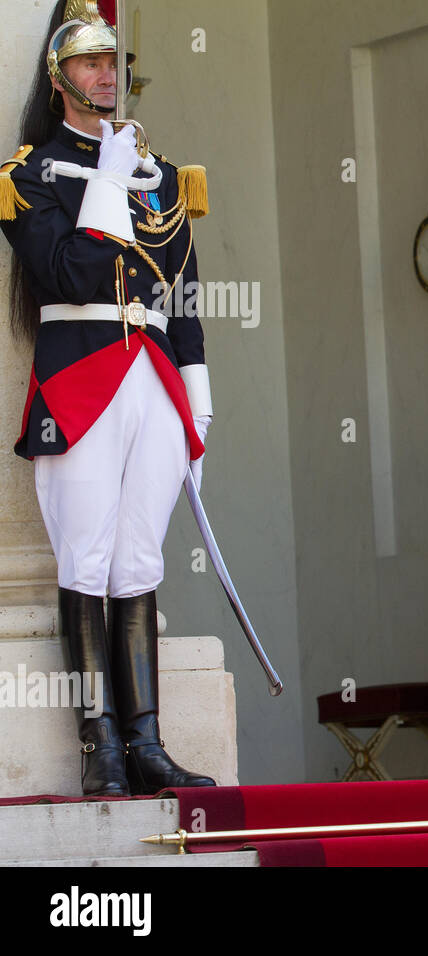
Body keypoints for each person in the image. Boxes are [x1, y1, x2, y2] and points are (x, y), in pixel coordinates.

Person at [0, 1, 215, 795]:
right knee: (85, 559)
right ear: (60, 79)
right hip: (81, 375)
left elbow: (185, 288)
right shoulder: (26, 175)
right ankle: (102, 750)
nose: (105, 76)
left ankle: (148, 745)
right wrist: (109, 182)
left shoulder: (163, 175)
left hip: (152, 371)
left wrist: (198, 388)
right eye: (89, 64)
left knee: (139, 561)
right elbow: (71, 274)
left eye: (111, 62)